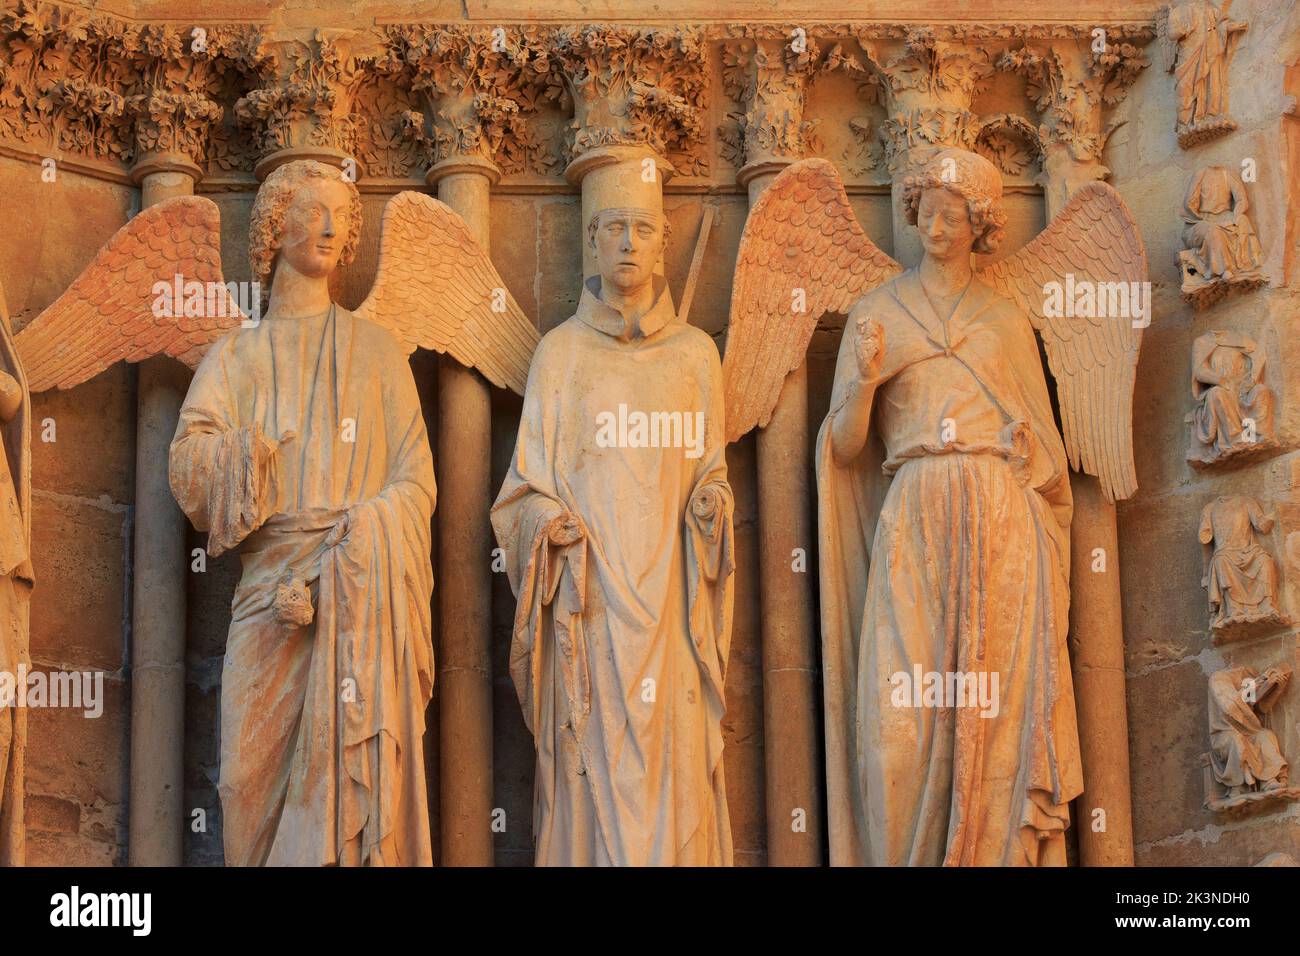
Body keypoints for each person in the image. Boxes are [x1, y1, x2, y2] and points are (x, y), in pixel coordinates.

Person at [818, 147, 1082, 866]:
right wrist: (866, 383)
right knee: (893, 725)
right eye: (926, 212)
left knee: (997, 707)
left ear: (981, 225)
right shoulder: (876, 312)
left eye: (952, 215)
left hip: (998, 512)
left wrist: (1029, 454)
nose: (935, 227)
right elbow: (844, 450)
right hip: (914, 510)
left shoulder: (1004, 314)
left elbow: (1048, 449)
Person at [170, 161, 436, 866]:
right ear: (272, 225)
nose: (327, 227)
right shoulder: (236, 355)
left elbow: (416, 483)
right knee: (244, 779)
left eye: (341, 219)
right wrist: (243, 456)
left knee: (341, 791)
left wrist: (351, 546)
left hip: (355, 590)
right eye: (311, 210)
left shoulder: (377, 353)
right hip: (267, 593)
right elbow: (185, 468)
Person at [492, 151, 734, 865]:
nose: (629, 243)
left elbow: (712, 475)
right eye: (614, 228)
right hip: (589, 601)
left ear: (663, 242)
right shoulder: (559, 357)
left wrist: (711, 512)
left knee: (679, 762)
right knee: (583, 765)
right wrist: (547, 526)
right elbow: (518, 494)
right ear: (592, 242)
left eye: (643, 229)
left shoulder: (695, 358)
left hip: (671, 602)